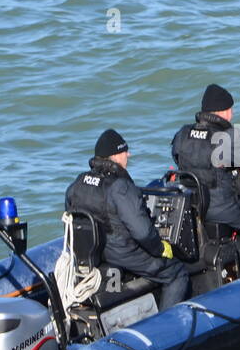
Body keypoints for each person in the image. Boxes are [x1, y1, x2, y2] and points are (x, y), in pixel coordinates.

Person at [65, 128, 190, 310]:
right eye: (125, 151)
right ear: (115, 156)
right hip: (122, 253)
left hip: (95, 252)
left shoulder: (78, 182)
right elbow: (143, 233)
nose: (128, 155)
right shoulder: (120, 187)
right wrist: (160, 248)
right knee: (177, 272)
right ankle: (166, 325)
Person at [171, 83, 240, 275]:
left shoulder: (183, 134)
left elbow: (177, 156)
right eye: (231, 110)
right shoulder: (224, 138)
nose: (232, 114)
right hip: (223, 208)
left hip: (194, 207)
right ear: (224, 112)